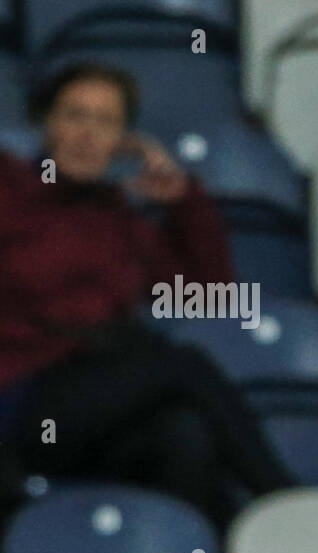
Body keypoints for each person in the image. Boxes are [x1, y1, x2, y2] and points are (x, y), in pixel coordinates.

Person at [0, 63, 294, 528]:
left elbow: (211, 297)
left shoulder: (123, 223)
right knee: (184, 367)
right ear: (48, 125)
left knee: (186, 434)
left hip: (98, 418)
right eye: (75, 116)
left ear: (122, 139)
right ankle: (290, 505)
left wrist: (184, 203)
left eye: (105, 122)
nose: (87, 134)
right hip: (23, 405)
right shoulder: (9, 189)